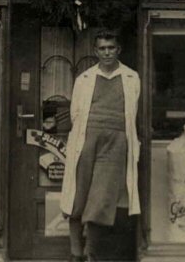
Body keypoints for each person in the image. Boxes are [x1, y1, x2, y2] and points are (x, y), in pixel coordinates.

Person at [60, 30, 141, 262]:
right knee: (77, 195)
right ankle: (75, 253)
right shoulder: (84, 79)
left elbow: (132, 113)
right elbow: (75, 114)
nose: (107, 52)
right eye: (102, 48)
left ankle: (90, 253)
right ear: (95, 51)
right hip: (87, 140)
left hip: (115, 143)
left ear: (118, 50)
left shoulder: (131, 77)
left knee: (101, 198)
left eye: (111, 48)